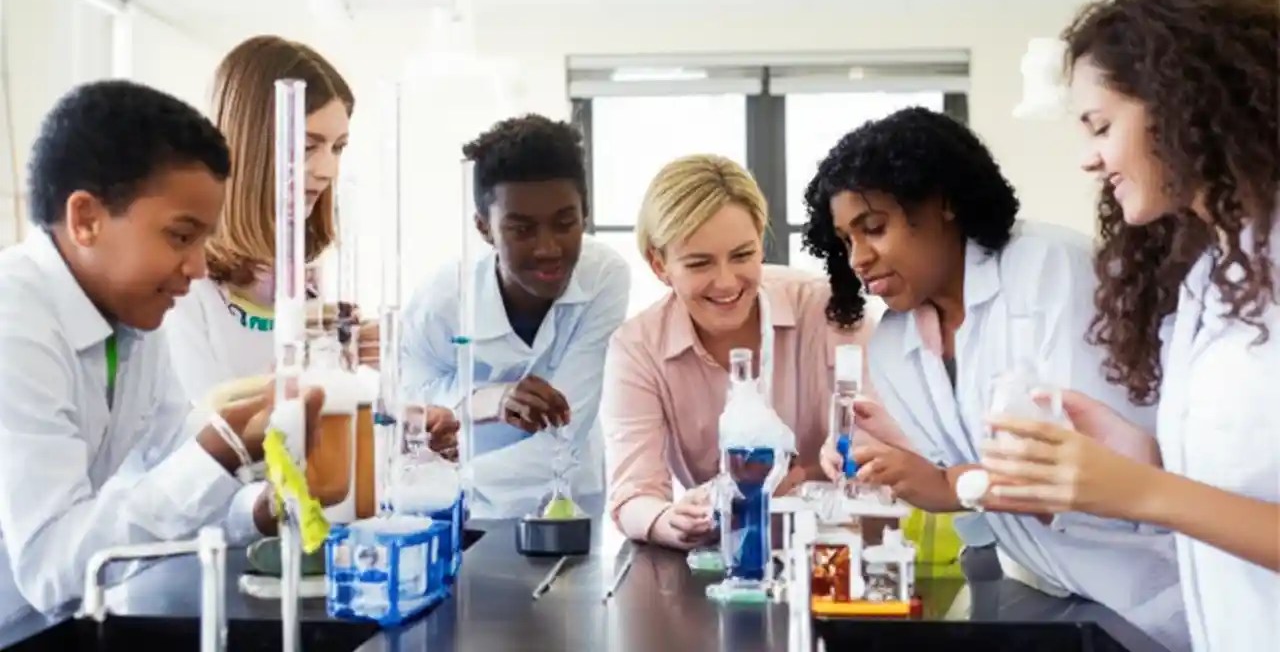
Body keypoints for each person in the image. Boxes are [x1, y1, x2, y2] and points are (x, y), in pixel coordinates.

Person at [977, 0, 1279, 652]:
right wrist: (1147, 458)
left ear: (1184, 107)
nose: (1088, 158)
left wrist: (1140, 492)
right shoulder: (1213, 275)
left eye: (1099, 124)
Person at [802, 107, 1187, 650]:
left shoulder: (1051, 270)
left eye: (875, 228)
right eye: (845, 241)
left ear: (944, 202)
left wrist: (942, 484)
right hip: (1061, 594)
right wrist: (892, 464)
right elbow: (967, 471)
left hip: (1165, 591)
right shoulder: (894, 342)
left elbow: (1075, 471)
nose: (860, 258)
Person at [0, 80, 329, 626]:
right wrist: (219, 449)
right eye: (181, 236)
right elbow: (50, 568)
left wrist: (261, 506)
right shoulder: (15, 323)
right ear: (86, 219)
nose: (199, 268)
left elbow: (181, 470)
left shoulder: (132, 318)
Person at [161, 35, 457, 453]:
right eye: (307, 146)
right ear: (249, 145)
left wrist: (404, 426)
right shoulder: (182, 283)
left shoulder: (300, 278)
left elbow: (308, 432)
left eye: (338, 148)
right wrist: (313, 372)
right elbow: (214, 435)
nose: (328, 169)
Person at [602, 154, 886, 551]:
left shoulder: (827, 309)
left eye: (742, 255)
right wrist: (671, 519)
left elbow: (889, 445)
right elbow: (633, 495)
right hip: (722, 561)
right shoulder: (638, 348)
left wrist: (832, 467)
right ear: (659, 265)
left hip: (836, 552)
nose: (726, 282)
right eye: (700, 263)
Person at [401, 114, 630, 519]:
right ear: (484, 228)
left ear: (586, 214)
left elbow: (567, 426)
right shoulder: (442, 302)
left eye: (565, 224)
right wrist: (488, 399)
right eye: (521, 230)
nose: (548, 248)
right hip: (461, 509)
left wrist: (451, 479)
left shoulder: (603, 277)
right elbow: (412, 410)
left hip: (569, 500)